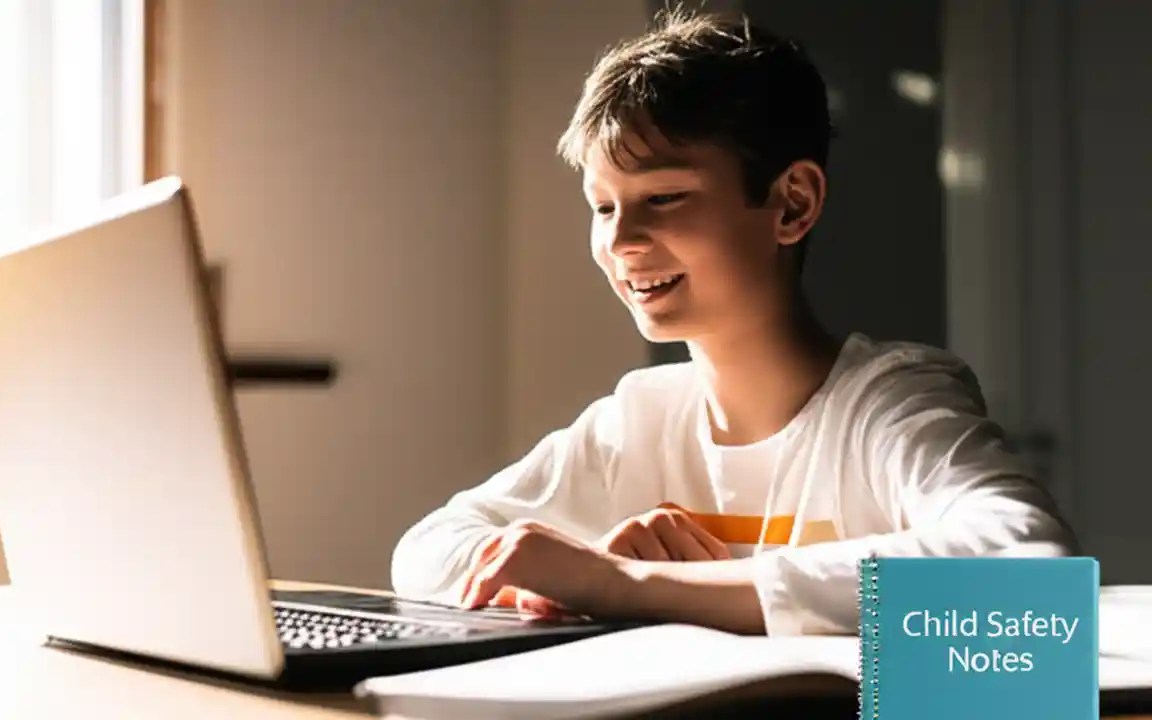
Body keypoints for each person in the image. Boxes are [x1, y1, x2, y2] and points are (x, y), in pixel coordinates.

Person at [390, 9, 1078, 635]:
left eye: (663, 197)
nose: (622, 240)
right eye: (603, 207)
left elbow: (1025, 567)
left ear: (792, 205)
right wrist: (560, 584)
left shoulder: (887, 403)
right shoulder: (639, 418)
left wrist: (633, 584)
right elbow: (425, 549)